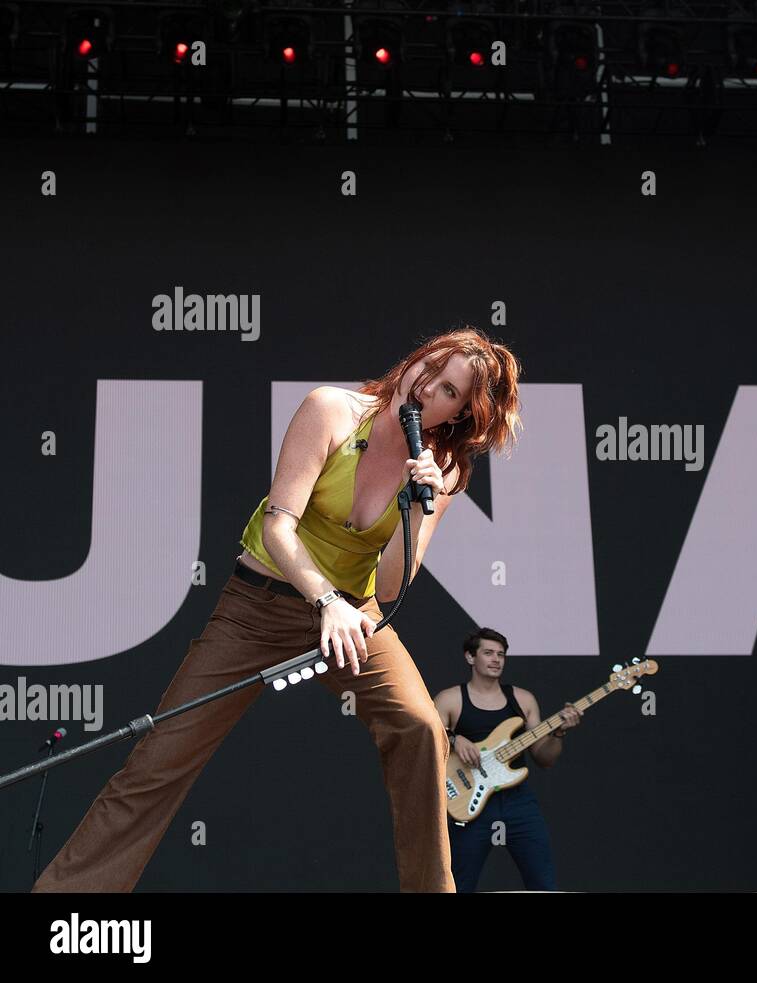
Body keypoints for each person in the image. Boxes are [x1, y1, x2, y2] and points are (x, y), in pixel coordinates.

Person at [33, 327, 522, 893]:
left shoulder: (442, 469)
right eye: (430, 369)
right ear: (414, 360)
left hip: (352, 618)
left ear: (460, 416)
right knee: (159, 760)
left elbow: (388, 588)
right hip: (259, 607)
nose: (427, 387)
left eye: (448, 391)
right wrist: (327, 601)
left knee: (418, 728)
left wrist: (416, 509)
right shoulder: (332, 410)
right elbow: (278, 525)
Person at [433, 628, 581, 891]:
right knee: (458, 885)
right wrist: (455, 739)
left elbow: (544, 759)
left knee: (543, 884)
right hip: (469, 803)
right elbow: (425, 745)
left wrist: (558, 732)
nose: (496, 659)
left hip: (517, 801)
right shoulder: (450, 699)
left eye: (501, 654)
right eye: (488, 653)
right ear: (470, 657)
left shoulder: (523, 700)